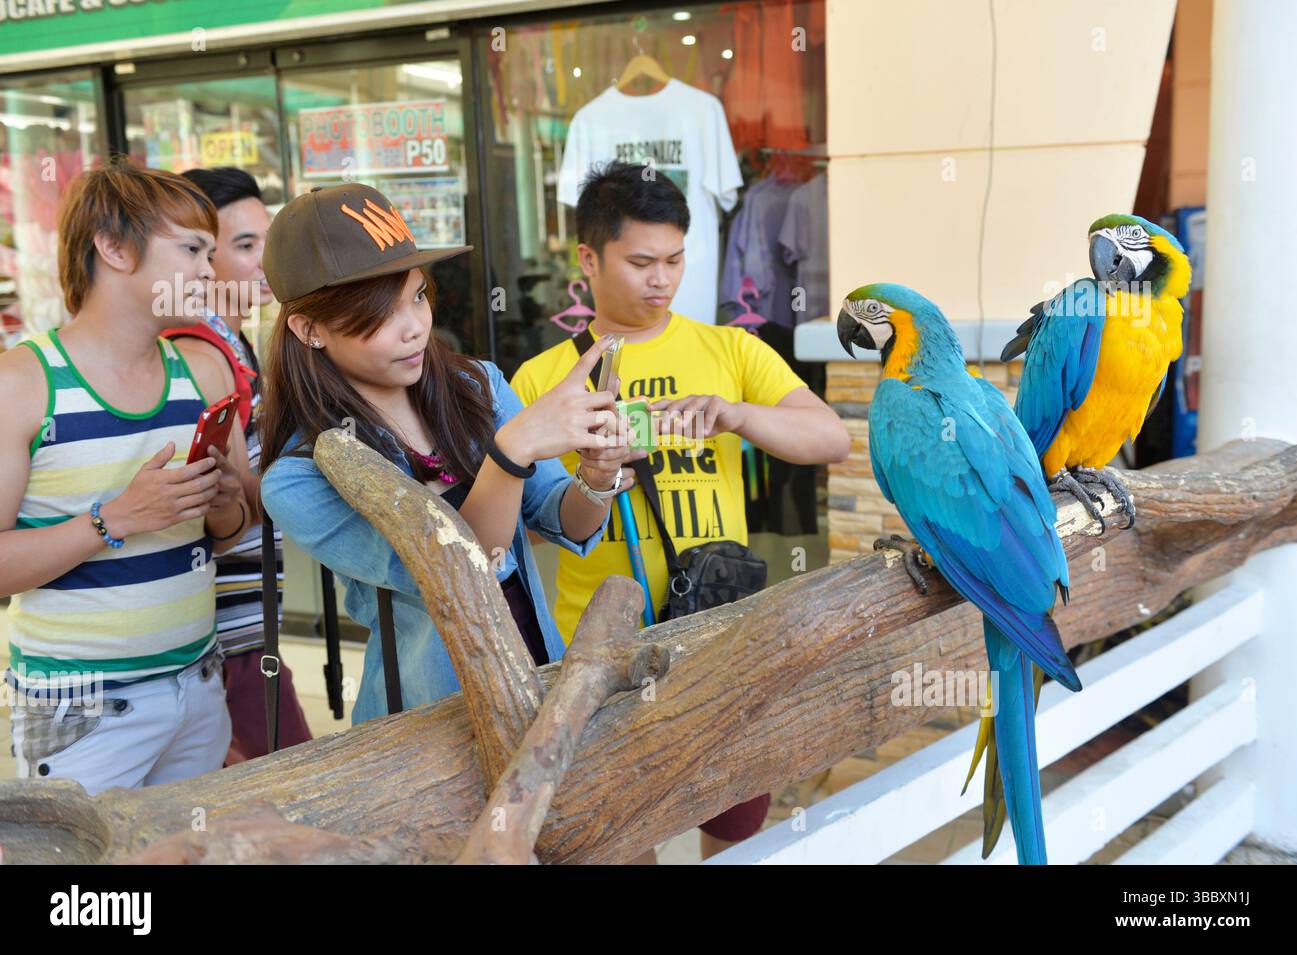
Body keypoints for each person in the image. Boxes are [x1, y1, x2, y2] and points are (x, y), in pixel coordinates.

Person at [511, 160, 850, 861]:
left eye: (674, 259)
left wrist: (736, 413)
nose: (661, 279)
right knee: (614, 832)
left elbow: (831, 438)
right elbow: (534, 522)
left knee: (731, 827)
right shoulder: (544, 378)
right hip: (599, 651)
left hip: (718, 634)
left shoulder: (727, 348)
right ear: (588, 258)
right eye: (640, 262)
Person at [257, 182, 632, 724]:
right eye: (381, 314)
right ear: (309, 329)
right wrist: (511, 452)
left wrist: (598, 471)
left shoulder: (478, 385)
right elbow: (456, 573)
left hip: (542, 676)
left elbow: (565, 522)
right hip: (431, 718)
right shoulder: (299, 477)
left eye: (417, 296)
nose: (414, 327)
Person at [0, 158, 249, 795]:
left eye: (212, 252)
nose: (208, 270)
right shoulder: (22, 384)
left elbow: (234, 527)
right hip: (79, 706)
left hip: (197, 683)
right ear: (111, 246)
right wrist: (114, 521)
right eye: (192, 249)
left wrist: (222, 503)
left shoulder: (207, 374)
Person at [161, 166, 313, 761]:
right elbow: (214, 500)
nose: (263, 261)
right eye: (244, 246)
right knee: (290, 789)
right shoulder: (198, 349)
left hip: (247, 618)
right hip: (225, 626)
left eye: (266, 242)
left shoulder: (237, 344)